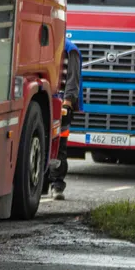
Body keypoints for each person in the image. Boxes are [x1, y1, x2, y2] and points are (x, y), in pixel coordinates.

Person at [50, 39, 82, 200]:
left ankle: (57, 185)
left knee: (60, 146)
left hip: (62, 106)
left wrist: (67, 103)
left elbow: (73, 79)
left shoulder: (71, 50)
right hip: (47, 102)